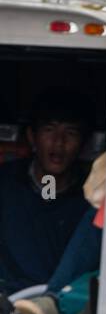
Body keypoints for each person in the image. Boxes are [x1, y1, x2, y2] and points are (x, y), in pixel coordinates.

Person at [0, 97, 99, 298]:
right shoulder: (7, 183)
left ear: (83, 143)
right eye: (49, 130)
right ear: (32, 136)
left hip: (65, 305)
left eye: (70, 133)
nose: (59, 142)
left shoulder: (92, 196)